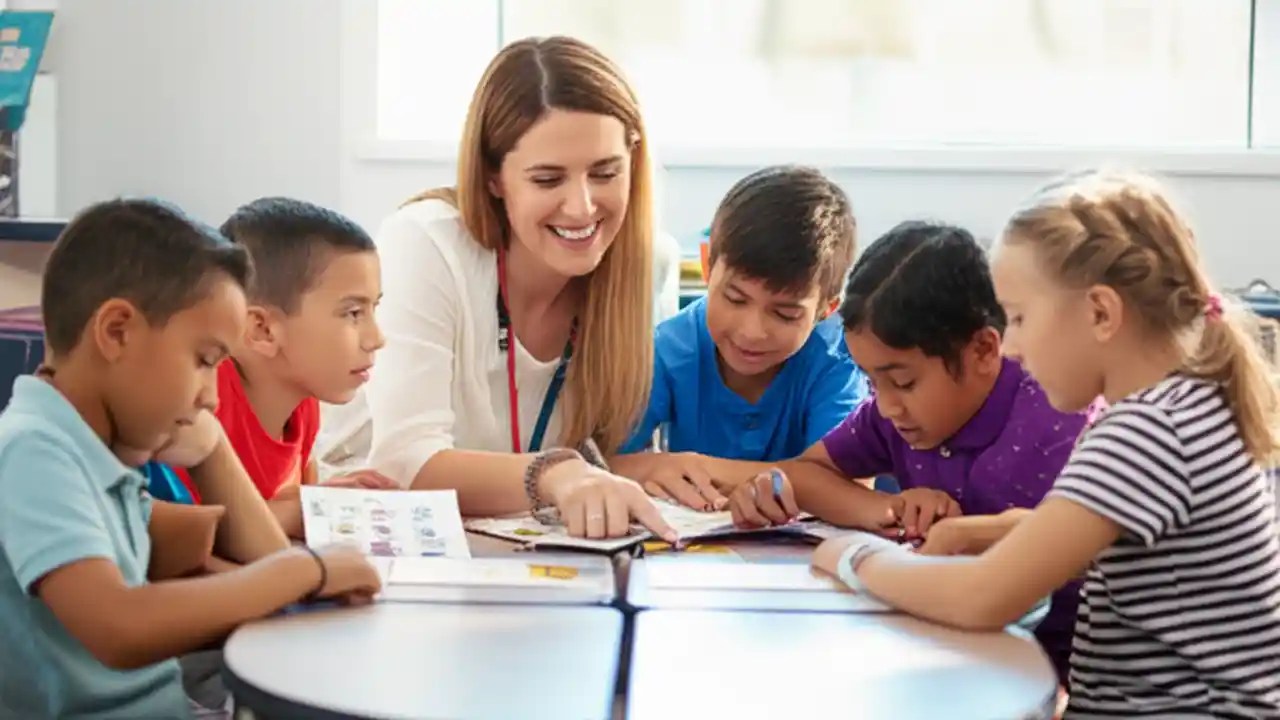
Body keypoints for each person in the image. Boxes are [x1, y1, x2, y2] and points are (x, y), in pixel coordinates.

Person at [814, 170, 1280, 717]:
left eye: (1018, 318)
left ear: (1100, 314)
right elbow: (1090, 535)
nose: (1009, 346)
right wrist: (977, 531)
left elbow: (984, 598)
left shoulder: (1144, 435)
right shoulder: (1187, 406)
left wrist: (855, 558)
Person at [0, 198, 380, 718]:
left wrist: (214, 450)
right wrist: (302, 572)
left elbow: (230, 557)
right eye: (203, 362)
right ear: (117, 332)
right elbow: (119, 625)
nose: (212, 397)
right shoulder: (34, 450)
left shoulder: (91, 455)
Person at [322, 36, 679, 542]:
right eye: (547, 179)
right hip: (376, 536)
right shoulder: (426, 242)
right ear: (494, 178)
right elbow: (405, 463)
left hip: (515, 545)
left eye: (604, 173)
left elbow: (602, 452)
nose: (581, 207)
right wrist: (556, 474)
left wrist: (639, 468)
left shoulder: (645, 264)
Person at [725, 220, 1090, 679]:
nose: (887, 405)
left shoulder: (1059, 417)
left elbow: (1058, 564)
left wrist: (859, 559)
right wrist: (886, 507)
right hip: (946, 648)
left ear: (983, 350)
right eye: (872, 382)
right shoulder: (893, 413)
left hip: (1056, 674)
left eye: (902, 382)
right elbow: (806, 472)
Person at [610, 165, 865, 511]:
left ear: (826, 309)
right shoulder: (670, 349)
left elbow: (850, 490)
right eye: (735, 298)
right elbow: (599, 464)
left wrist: (695, 467)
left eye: (785, 314)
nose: (751, 332)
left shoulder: (838, 361)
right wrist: (653, 465)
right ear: (706, 265)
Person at [161, 197, 397, 539]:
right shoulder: (200, 401)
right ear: (262, 329)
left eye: (373, 308)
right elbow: (198, 535)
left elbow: (278, 499)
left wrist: (322, 499)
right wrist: (308, 510)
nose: (376, 339)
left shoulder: (303, 401)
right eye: (353, 314)